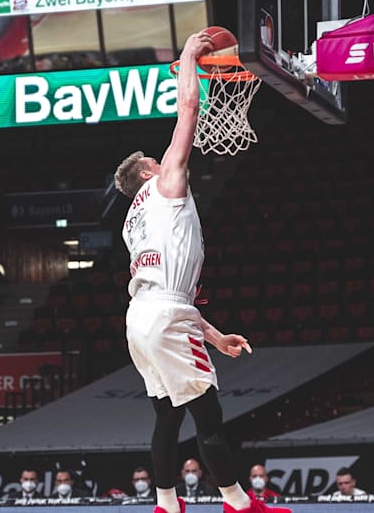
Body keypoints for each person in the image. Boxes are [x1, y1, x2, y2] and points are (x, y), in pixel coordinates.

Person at [114, 31, 286, 513]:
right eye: (157, 158)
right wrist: (189, 56)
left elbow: (171, 294)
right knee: (207, 413)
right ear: (149, 172)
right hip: (166, 314)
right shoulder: (165, 180)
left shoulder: (133, 220)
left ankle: (167, 504)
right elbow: (188, 111)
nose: (167, 159)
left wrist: (213, 336)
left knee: (167, 417)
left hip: (143, 317)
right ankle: (237, 501)